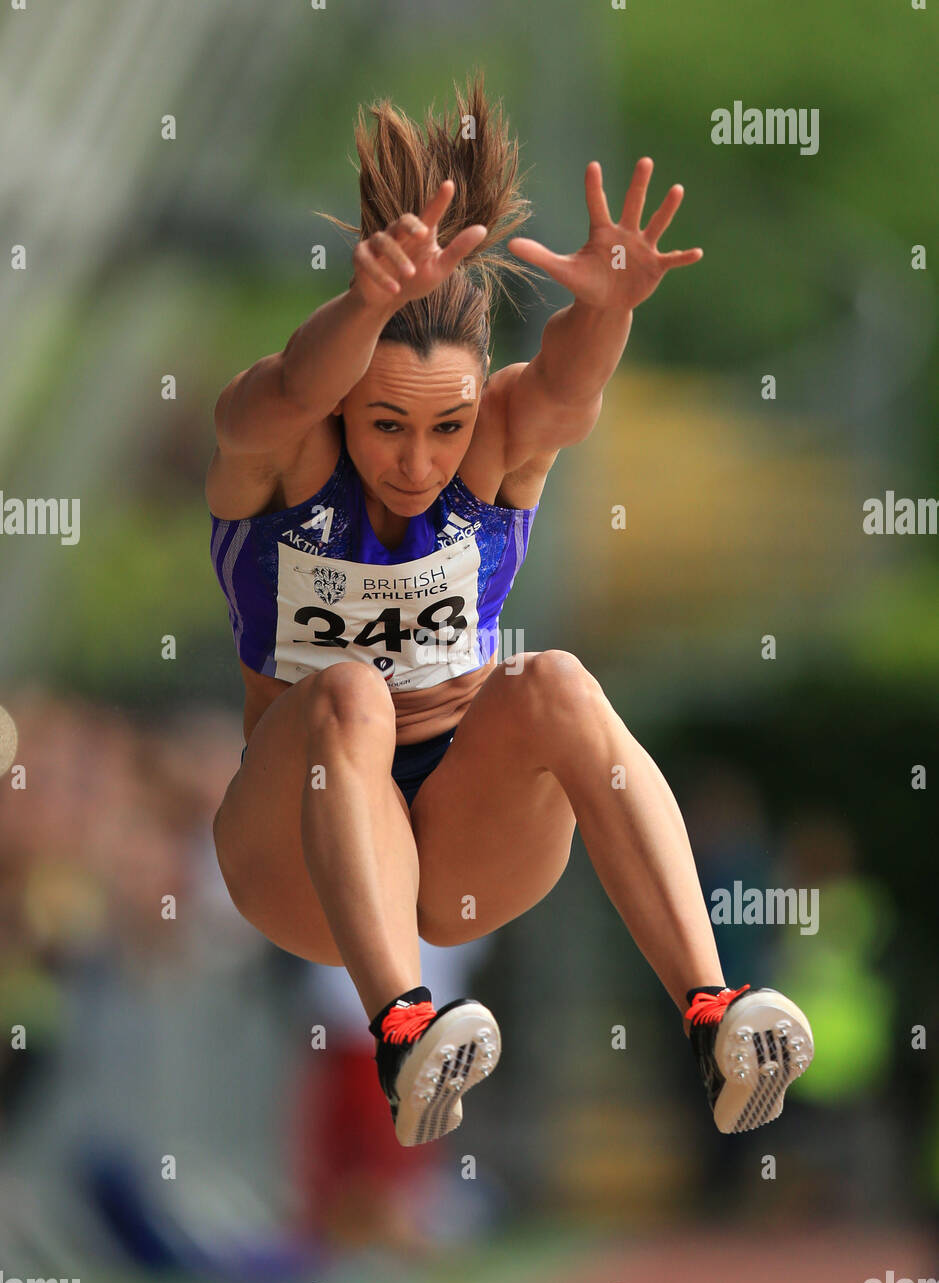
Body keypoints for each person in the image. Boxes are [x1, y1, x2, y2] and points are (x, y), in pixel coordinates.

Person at [207, 73, 813, 1148]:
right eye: (388, 426)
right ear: (349, 398)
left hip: (469, 840)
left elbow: (566, 397)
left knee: (557, 680)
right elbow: (282, 393)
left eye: (443, 429)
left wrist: (606, 309)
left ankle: (713, 1013)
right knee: (349, 692)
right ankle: (402, 1026)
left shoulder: (492, 446)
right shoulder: (287, 454)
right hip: (299, 853)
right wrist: (365, 304)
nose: (417, 462)